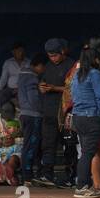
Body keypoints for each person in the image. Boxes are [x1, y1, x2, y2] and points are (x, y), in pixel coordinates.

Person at [70, 38, 100, 198]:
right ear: (94, 59)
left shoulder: (76, 74)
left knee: (85, 153)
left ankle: (82, 184)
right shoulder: (95, 74)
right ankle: (82, 187)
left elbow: (72, 95)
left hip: (78, 117)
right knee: (88, 153)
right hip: (92, 117)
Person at [36, 39, 74, 187]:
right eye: (50, 56)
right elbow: (43, 83)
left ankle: (70, 177)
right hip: (49, 112)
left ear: (62, 52)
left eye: (55, 55)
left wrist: (54, 88)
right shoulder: (47, 67)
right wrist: (42, 87)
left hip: (65, 112)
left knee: (69, 145)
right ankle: (47, 176)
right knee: (48, 145)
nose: (53, 59)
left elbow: (72, 89)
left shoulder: (72, 65)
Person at [16, 54, 45, 183]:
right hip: (33, 115)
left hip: (25, 114)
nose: (43, 71)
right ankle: (27, 176)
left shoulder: (22, 75)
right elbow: (33, 99)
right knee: (30, 146)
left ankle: (27, 175)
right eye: (42, 67)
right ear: (38, 66)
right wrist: (42, 109)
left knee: (28, 145)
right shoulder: (32, 78)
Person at [0, 42, 28, 110]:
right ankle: (2, 115)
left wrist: (20, 88)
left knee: (23, 98)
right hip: (10, 89)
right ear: (13, 52)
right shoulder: (8, 63)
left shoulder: (29, 62)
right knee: (1, 96)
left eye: (22, 51)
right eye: (18, 51)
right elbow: (3, 78)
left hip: (24, 88)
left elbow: (30, 78)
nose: (21, 53)